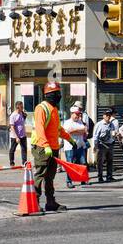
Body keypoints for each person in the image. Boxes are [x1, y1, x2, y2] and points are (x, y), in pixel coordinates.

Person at [30, 84, 72, 213]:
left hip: (53, 148)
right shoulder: (41, 108)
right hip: (43, 148)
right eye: (56, 94)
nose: (59, 96)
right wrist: (46, 145)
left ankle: (50, 202)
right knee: (40, 174)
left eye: (59, 93)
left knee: (50, 177)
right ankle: (34, 202)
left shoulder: (54, 109)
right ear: (49, 95)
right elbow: (40, 129)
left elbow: (58, 129)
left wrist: (69, 139)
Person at [62, 103, 89, 188]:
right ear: (72, 114)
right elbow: (70, 131)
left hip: (80, 146)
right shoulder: (67, 122)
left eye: (79, 114)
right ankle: (69, 181)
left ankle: (82, 179)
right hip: (70, 147)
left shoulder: (80, 122)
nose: (78, 116)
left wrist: (77, 130)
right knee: (70, 165)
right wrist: (79, 130)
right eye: (76, 114)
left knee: (83, 163)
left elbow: (84, 130)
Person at [93, 108, 118, 182]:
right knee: (100, 162)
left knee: (110, 161)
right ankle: (100, 176)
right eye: (107, 115)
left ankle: (109, 176)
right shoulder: (99, 124)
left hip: (110, 144)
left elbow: (113, 133)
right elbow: (95, 136)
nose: (108, 116)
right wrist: (95, 146)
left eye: (109, 115)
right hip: (101, 145)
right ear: (103, 116)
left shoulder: (112, 124)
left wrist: (114, 136)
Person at [8, 101, 28, 167]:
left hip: (23, 135)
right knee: (12, 149)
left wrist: (25, 115)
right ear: (17, 107)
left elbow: (23, 121)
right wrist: (16, 137)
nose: (22, 108)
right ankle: (12, 162)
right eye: (21, 107)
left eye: (23, 106)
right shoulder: (13, 115)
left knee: (24, 149)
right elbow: (12, 127)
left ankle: (24, 162)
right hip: (15, 136)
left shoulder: (22, 113)